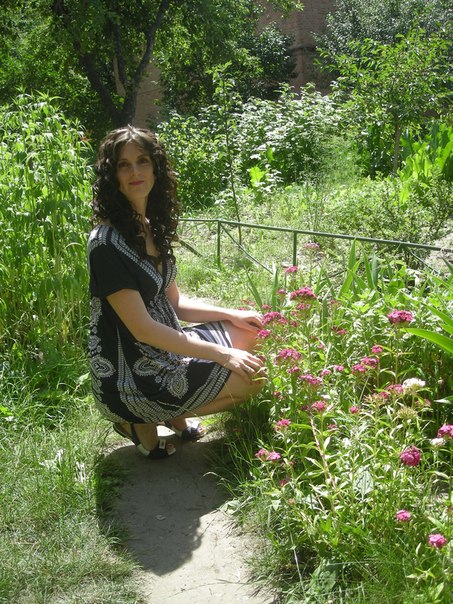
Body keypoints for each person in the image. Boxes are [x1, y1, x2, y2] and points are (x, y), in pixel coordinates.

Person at [87, 125, 266, 459]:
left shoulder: (150, 227)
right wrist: (222, 354)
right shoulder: (105, 244)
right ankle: (137, 417)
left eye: (142, 161)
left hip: (167, 350)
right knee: (252, 379)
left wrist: (233, 315)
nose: (135, 171)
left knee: (254, 333)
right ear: (112, 176)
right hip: (134, 372)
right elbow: (142, 329)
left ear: (156, 167)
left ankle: (170, 413)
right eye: (124, 165)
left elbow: (176, 303)